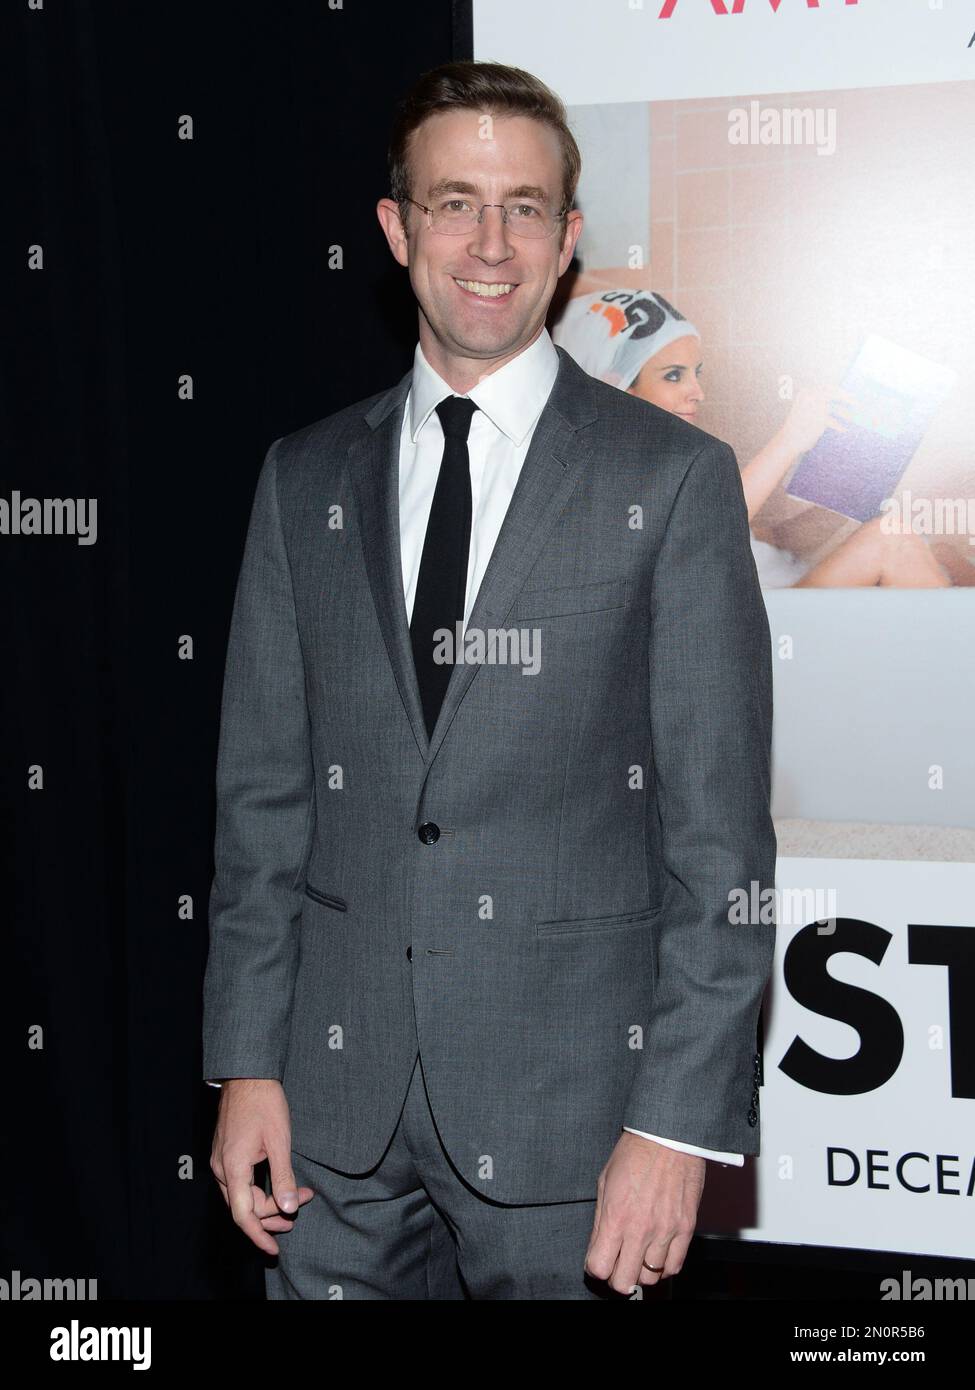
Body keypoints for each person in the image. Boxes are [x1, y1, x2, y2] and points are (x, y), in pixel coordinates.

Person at [203, 60, 776, 1301]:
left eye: (524, 207)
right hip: (331, 1124)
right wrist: (247, 1062)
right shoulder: (302, 478)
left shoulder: (673, 479)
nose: (489, 241)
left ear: (569, 241)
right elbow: (262, 806)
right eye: (455, 201)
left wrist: (676, 1127)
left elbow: (722, 846)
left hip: (578, 1123)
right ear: (397, 229)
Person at [553, 288, 950, 587]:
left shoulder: (672, 462)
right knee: (891, 539)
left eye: (697, 372)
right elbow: (701, 532)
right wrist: (791, 438)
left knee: (908, 535)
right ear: (615, 387)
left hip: (785, 603)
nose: (698, 391)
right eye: (673, 375)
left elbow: (759, 537)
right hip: (757, 642)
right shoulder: (590, 482)